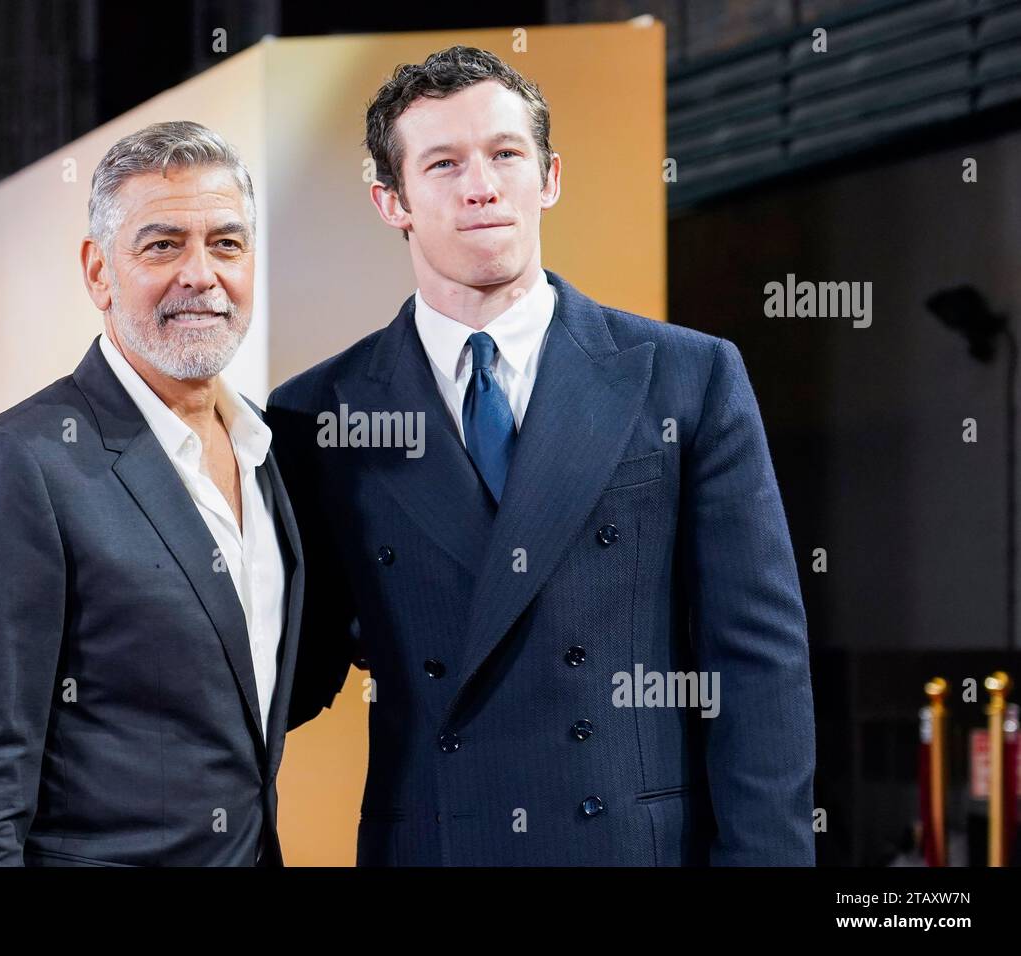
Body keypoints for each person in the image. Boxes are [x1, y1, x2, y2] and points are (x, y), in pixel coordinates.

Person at [268, 45, 816, 865]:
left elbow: (758, 662)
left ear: (549, 177)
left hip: (636, 846)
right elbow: (294, 678)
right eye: (444, 163)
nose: (481, 186)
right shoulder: (318, 413)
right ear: (392, 201)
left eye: (505, 155)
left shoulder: (687, 377)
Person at [0, 121, 304, 867]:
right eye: (162, 245)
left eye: (226, 244)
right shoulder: (12, 466)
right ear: (98, 271)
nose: (200, 274)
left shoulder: (266, 448)